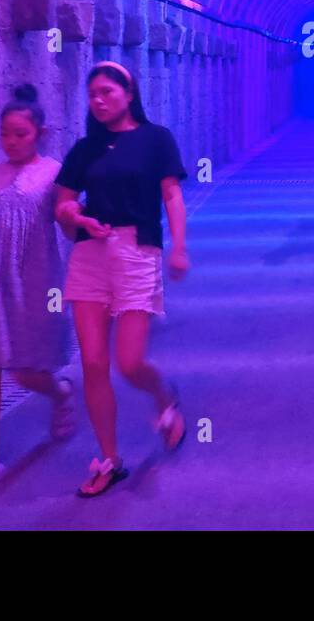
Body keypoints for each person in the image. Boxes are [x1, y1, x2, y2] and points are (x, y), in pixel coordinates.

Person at [54, 61, 192, 497]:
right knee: (93, 363)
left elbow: (171, 193)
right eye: (92, 94)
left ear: (128, 94)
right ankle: (110, 459)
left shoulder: (155, 139)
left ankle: (163, 396)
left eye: (107, 93)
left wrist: (180, 247)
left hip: (136, 251)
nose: (98, 101)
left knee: (129, 363)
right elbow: (63, 205)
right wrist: (76, 217)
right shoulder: (84, 149)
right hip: (90, 255)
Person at [0, 84, 74, 498]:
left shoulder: (55, 173)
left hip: (35, 277)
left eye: (20, 134)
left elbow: (66, 223)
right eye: (5, 134)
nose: (11, 142)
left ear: (38, 133)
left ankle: (60, 392)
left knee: (26, 371)